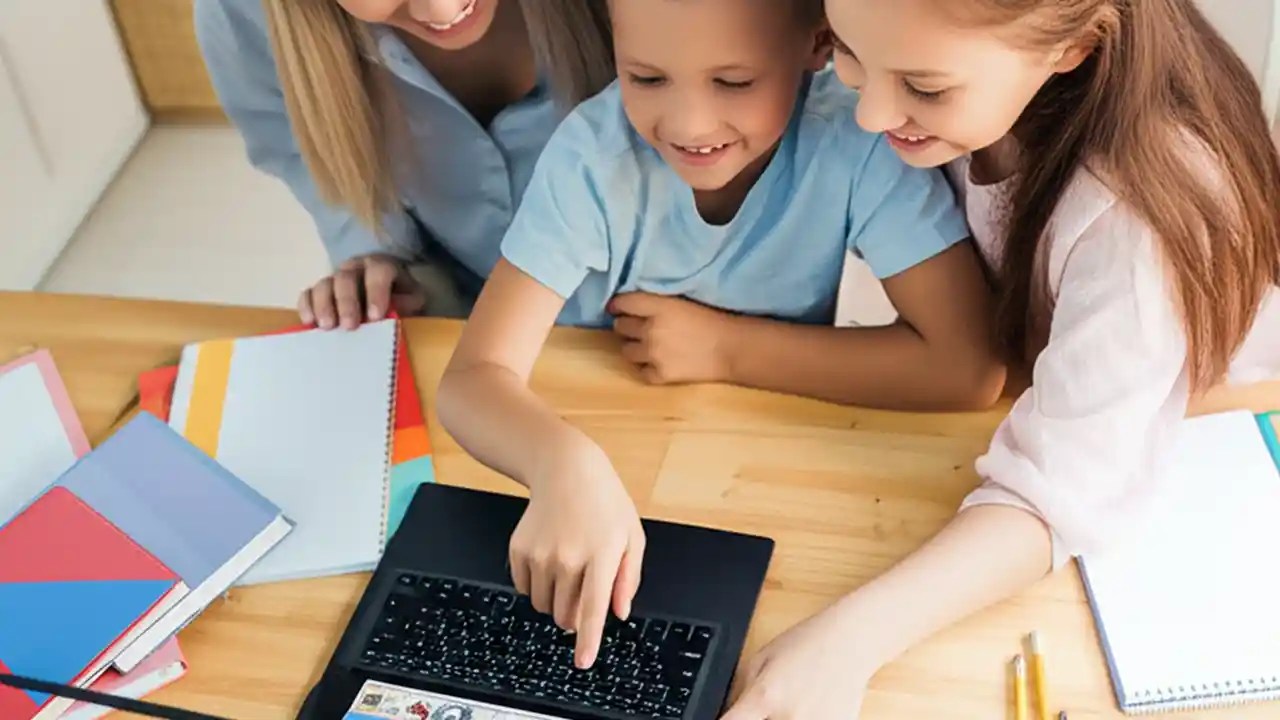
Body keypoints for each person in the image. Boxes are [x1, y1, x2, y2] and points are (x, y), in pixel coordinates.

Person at [719, 0, 1280, 717]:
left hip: (1210, 436)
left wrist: (847, 642)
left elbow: (1056, 495)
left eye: (924, 86)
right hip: (1051, 399)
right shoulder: (968, 96)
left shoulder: (1135, 220)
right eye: (850, 53)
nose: (870, 112)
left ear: (1072, 46)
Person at [436, 0, 1006, 671]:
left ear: (819, 45)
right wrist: (563, 464)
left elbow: (968, 369)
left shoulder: (855, 143)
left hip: (772, 479)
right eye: (646, 78)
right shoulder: (592, 155)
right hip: (608, 456)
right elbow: (473, 379)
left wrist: (725, 349)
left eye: (734, 82)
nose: (688, 124)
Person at [194, 0, 615, 328]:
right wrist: (373, 252)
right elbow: (302, 150)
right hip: (462, 308)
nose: (442, 11)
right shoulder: (242, 15)